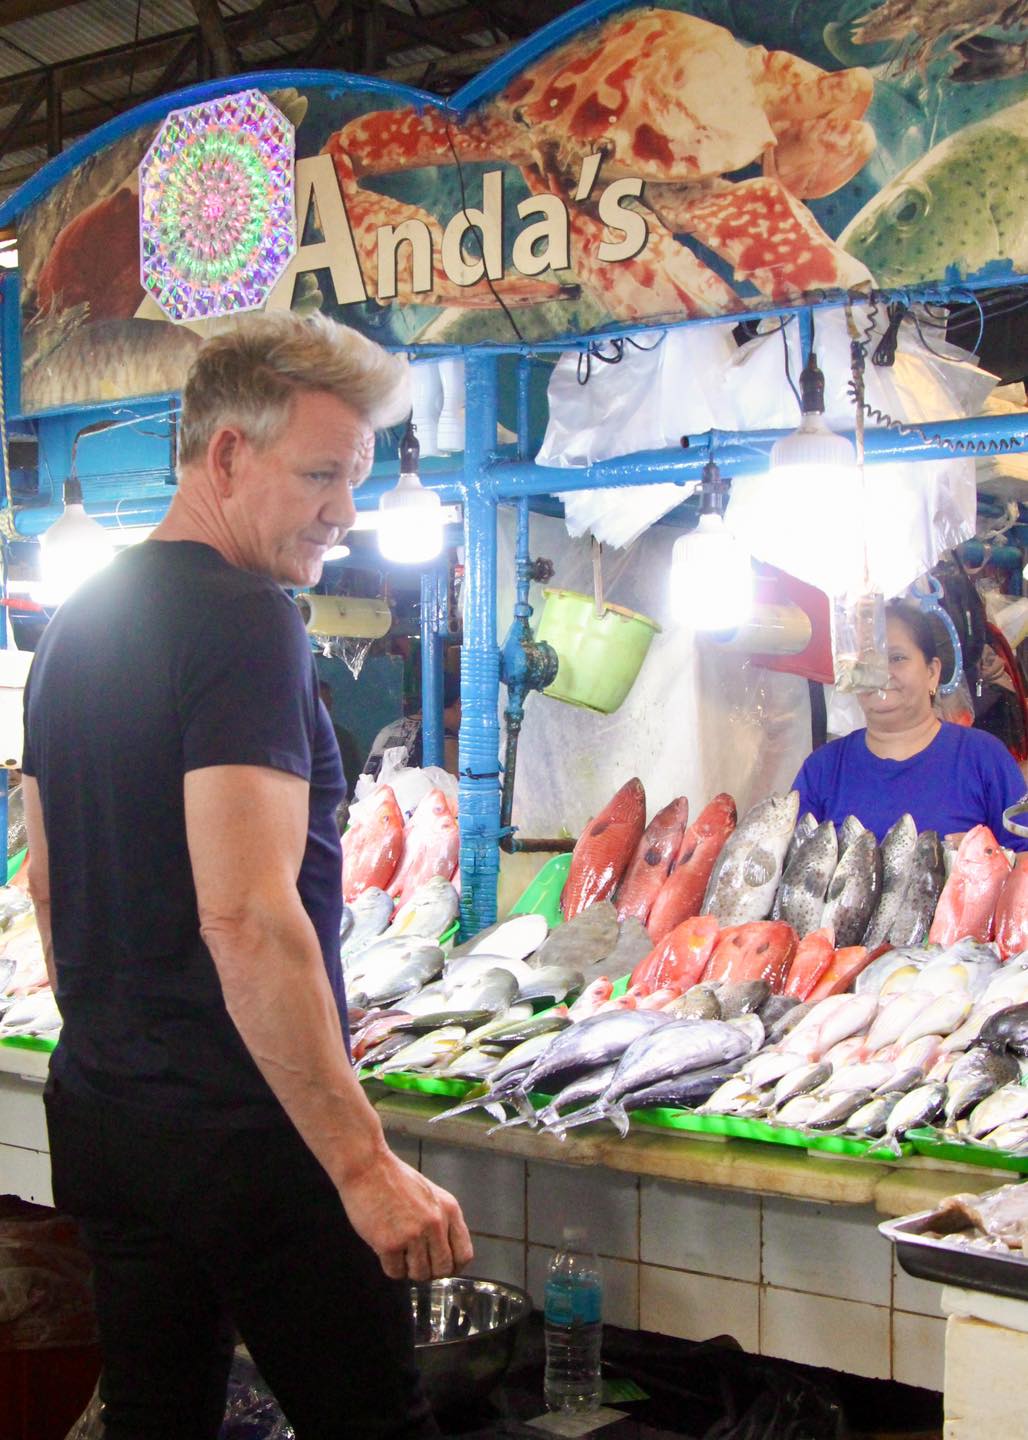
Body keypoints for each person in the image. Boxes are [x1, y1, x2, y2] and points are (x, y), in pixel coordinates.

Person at [21, 312, 472, 1440]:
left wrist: (131, 1054)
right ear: (227, 455)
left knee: (155, 1417)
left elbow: (44, 879)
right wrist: (361, 1164)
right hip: (246, 1135)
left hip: (108, 1115)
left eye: (354, 479)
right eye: (321, 474)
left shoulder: (75, 623)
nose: (346, 512)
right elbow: (246, 914)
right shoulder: (243, 622)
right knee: (370, 1422)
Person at [793, 599, 1028, 850]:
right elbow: (794, 869)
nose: (881, 672)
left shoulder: (984, 757)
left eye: (896, 657)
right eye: (867, 660)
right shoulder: (822, 768)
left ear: (932, 672)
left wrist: (992, 855)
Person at [364, 668, 462, 780]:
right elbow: (459, 789)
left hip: (369, 796)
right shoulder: (443, 740)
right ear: (459, 704)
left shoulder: (389, 729)